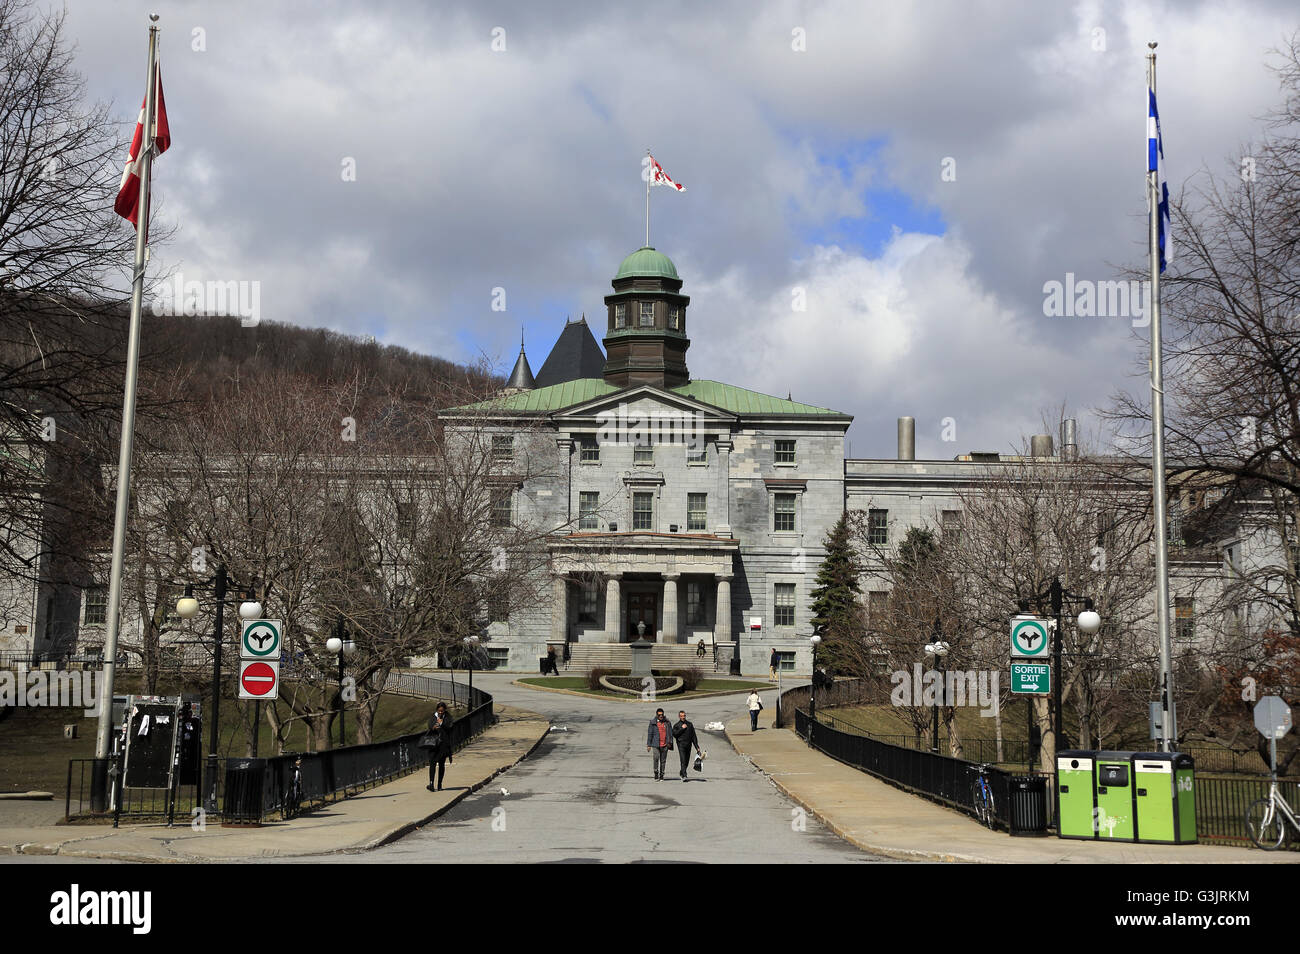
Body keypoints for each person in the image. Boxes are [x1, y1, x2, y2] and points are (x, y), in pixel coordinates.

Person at [427, 702, 454, 791]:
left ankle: (439, 784)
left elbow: (450, 727)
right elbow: (429, 725)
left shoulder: (448, 717)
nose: (441, 713)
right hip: (433, 744)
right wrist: (434, 727)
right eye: (439, 711)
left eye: (442, 711)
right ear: (437, 710)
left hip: (443, 745)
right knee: (432, 764)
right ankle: (431, 783)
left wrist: (442, 724)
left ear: (445, 710)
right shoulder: (433, 717)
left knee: (441, 764)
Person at [672, 710, 702, 781]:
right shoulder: (676, 725)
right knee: (683, 760)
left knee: (687, 761)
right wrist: (682, 729)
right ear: (679, 716)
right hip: (681, 745)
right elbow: (675, 734)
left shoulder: (690, 724)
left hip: (688, 745)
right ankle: (684, 775)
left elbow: (693, 736)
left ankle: (682, 771)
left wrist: (697, 747)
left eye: (684, 716)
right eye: (681, 716)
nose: (683, 717)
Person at [645, 708, 673, 780]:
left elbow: (670, 733)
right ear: (656, 715)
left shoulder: (667, 722)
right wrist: (649, 745)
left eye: (662, 714)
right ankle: (656, 772)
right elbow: (650, 734)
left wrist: (670, 742)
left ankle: (662, 775)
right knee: (656, 758)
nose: (661, 716)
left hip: (665, 745)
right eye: (659, 714)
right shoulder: (653, 722)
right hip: (655, 744)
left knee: (663, 761)